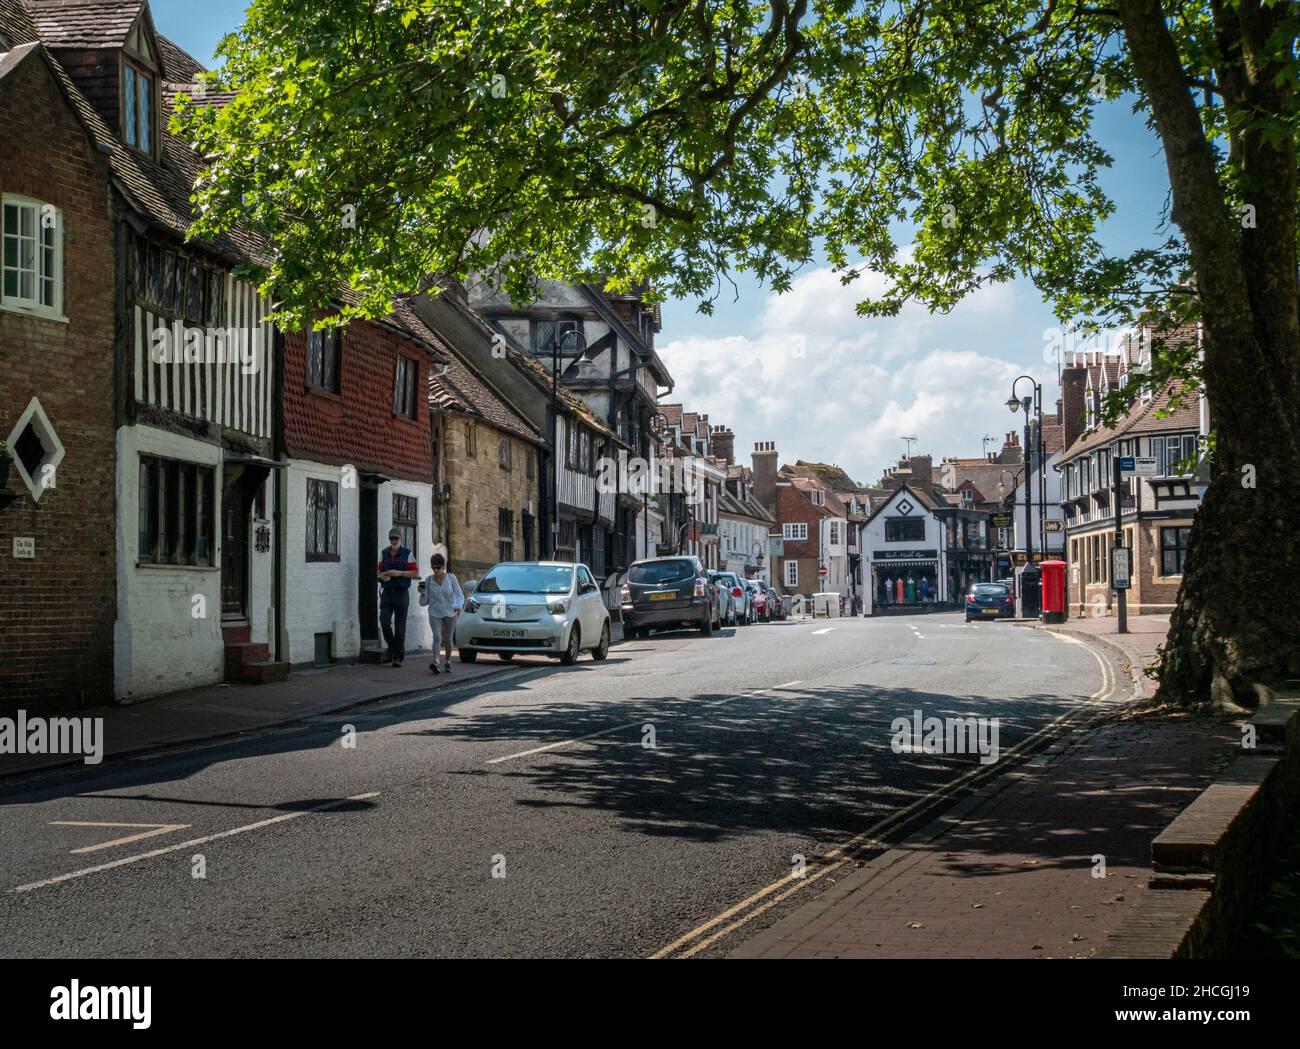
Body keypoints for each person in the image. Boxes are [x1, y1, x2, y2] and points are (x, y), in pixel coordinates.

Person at [377, 529, 419, 667]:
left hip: (401, 592)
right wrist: (382, 575)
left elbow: (415, 573)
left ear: (400, 539)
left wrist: (399, 573)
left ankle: (397, 657)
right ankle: (393, 648)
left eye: (396, 538)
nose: (394, 541)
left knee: (400, 626)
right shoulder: (384, 553)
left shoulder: (407, 553)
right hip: (387, 592)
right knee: (384, 621)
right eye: (391, 539)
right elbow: (378, 570)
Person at [419, 553, 464, 674]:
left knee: (448, 638)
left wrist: (457, 606)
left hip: (450, 611)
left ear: (443, 567)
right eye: (433, 568)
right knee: (437, 637)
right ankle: (436, 662)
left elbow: (459, 594)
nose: (436, 570)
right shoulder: (428, 580)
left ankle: (448, 662)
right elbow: (423, 602)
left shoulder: (451, 578)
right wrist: (422, 592)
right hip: (434, 611)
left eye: (438, 567)